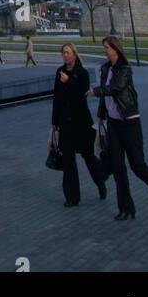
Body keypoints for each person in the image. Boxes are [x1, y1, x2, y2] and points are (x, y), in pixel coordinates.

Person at [90, 35, 148, 221]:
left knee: (137, 165)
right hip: (114, 124)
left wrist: (95, 91)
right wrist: (101, 116)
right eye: (104, 47)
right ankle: (126, 208)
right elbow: (105, 97)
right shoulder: (105, 68)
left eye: (107, 47)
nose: (104, 50)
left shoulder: (125, 69)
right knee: (118, 168)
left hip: (130, 123)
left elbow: (116, 88)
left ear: (115, 49)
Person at [49, 42, 106, 207]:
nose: (66, 56)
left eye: (68, 53)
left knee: (88, 157)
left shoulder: (82, 73)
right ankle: (72, 197)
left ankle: (100, 182)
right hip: (65, 123)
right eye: (63, 53)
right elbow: (57, 99)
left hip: (81, 123)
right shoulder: (59, 72)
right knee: (68, 161)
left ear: (74, 55)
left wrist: (69, 82)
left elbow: (82, 92)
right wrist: (54, 122)